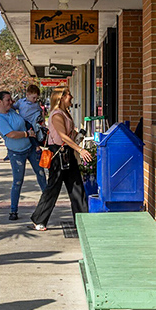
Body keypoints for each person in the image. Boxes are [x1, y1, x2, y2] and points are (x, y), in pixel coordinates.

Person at [30, 87, 92, 231]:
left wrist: (77, 137)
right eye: (69, 95)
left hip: (67, 153)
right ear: (61, 98)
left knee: (76, 187)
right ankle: (38, 219)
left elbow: (68, 136)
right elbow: (63, 136)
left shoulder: (66, 113)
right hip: (58, 155)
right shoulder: (57, 115)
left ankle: (83, 220)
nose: (72, 97)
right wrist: (80, 150)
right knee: (53, 188)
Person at [0, 90, 47, 222]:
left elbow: (25, 119)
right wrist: (27, 134)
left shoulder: (12, 111)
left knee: (41, 174)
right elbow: (11, 134)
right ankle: (13, 210)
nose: (11, 102)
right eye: (8, 100)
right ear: (0, 102)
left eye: (11, 100)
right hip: (16, 152)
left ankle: (48, 202)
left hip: (30, 148)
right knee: (18, 181)